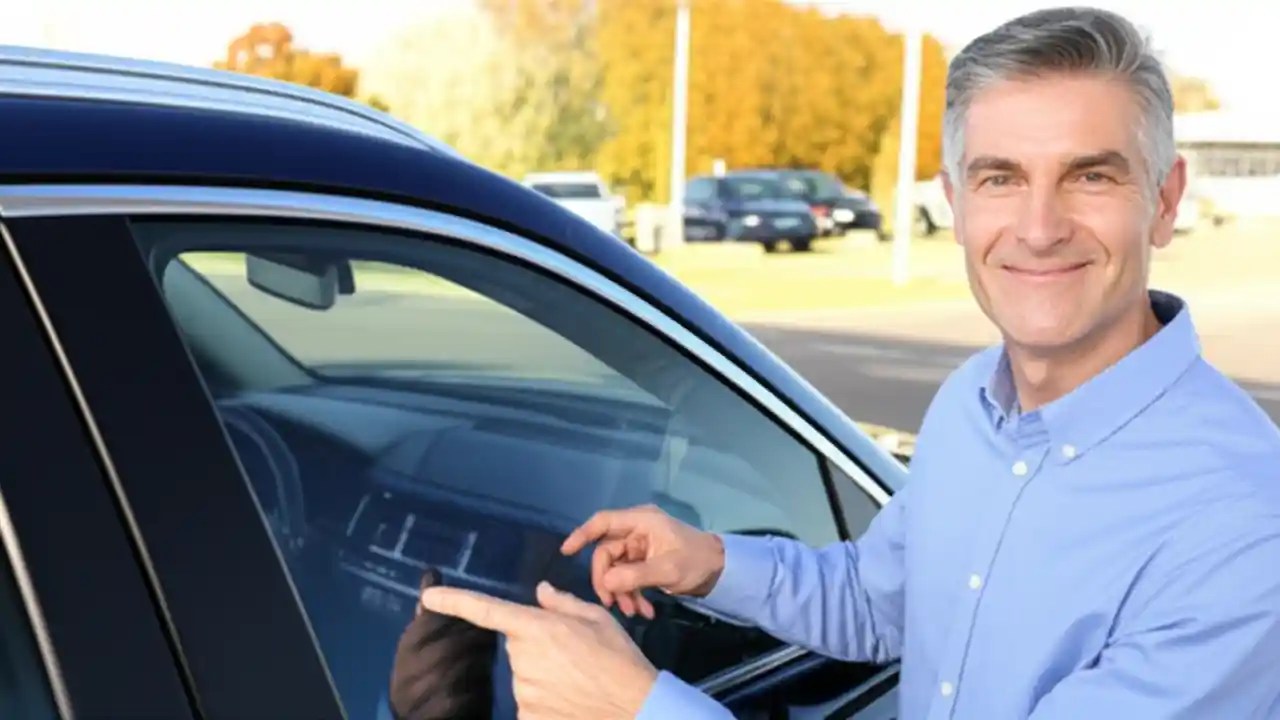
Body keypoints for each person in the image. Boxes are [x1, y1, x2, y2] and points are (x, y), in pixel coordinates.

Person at [420, 6, 1280, 719]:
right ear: (954, 202)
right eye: (1000, 178)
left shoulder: (1241, 522)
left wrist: (640, 707)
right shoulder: (971, 406)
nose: (1040, 225)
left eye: (1090, 177)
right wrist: (711, 561)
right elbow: (881, 600)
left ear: (1164, 201)